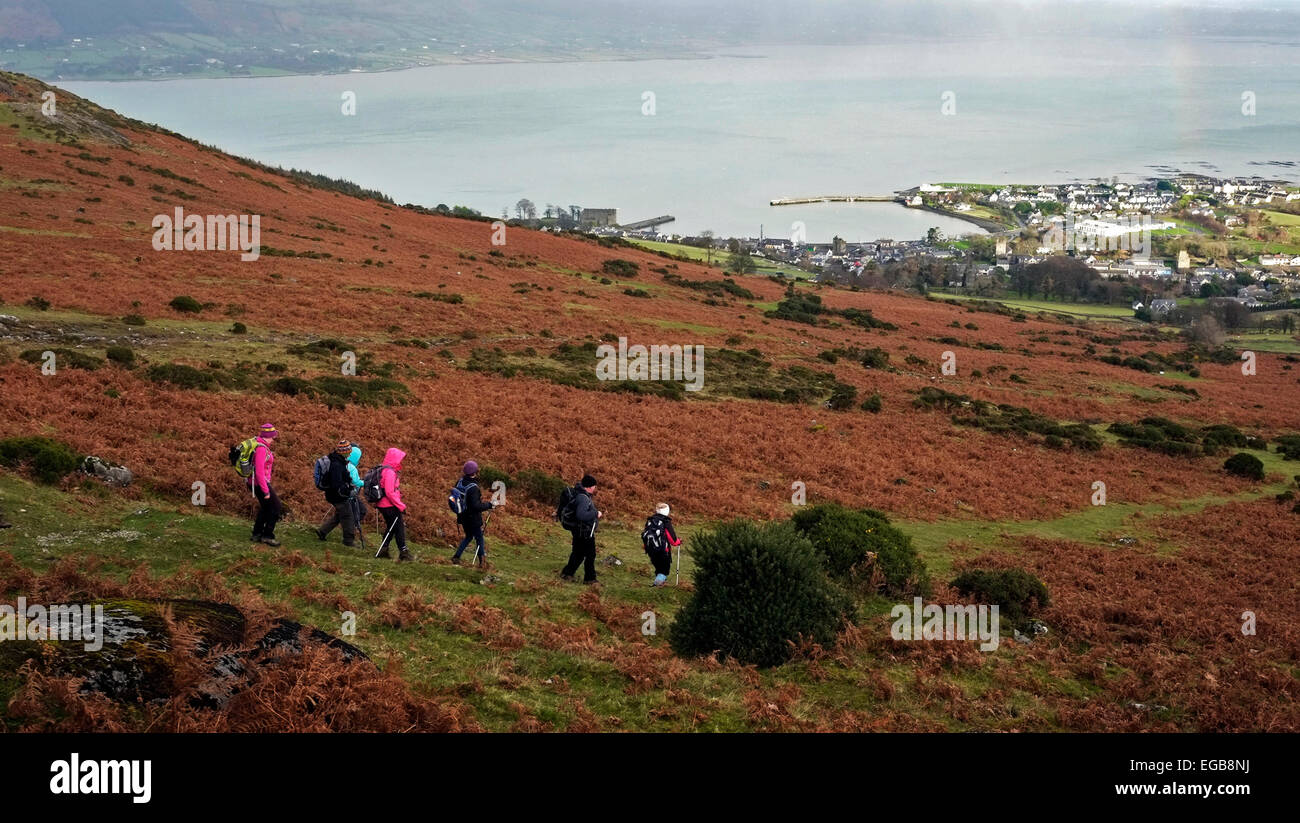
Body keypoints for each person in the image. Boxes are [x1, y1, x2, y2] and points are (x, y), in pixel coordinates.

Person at [451, 460, 500, 567]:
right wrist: (489, 505)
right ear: (475, 472)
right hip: (473, 518)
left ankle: (456, 557)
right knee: (479, 538)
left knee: (468, 536)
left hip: (462, 516)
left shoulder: (459, 482)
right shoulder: (473, 488)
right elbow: (476, 506)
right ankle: (482, 562)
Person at [559, 474, 601, 584]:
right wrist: (596, 513)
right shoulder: (583, 498)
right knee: (590, 555)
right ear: (590, 487)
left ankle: (567, 574)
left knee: (578, 553)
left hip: (579, 530)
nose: (595, 488)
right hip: (585, 532)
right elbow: (581, 515)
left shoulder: (579, 494)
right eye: (594, 486)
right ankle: (590, 579)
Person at [316, 440, 358, 547]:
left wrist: (350, 484)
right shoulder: (337, 464)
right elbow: (337, 484)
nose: (349, 453)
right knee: (348, 516)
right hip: (337, 495)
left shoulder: (338, 460)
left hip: (333, 494)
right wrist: (349, 492)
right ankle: (348, 541)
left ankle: (322, 531)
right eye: (348, 451)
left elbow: (344, 477)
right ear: (344, 452)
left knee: (340, 515)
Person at [374, 447, 412, 562]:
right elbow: (390, 492)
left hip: (382, 504)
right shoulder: (390, 472)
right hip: (388, 505)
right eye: (399, 459)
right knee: (399, 527)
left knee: (391, 527)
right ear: (395, 459)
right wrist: (401, 505)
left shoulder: (383, 469)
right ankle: (403, 552)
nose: (401, 461)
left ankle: (384, 549)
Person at [249, 423, 281, 547]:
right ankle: (267, 536)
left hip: (256, 483)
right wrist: (266, 490)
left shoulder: (261, 445)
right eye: (272, 437)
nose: (273, 439)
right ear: (267, 436)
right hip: (259, 483)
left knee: (266, 507)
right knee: (276, 507)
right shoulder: (262, 449)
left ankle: (257, 533)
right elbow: (259, 472)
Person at [642, 503, 681, 587]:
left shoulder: (650, 520)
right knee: (664, 569)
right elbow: (673, 540)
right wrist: (678, 542)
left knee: (658, 568)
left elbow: (645, 535)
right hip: (663, 551)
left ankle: (659, 583)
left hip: (651, 550)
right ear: (667, 511)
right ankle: (657, 585)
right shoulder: (665, 521)